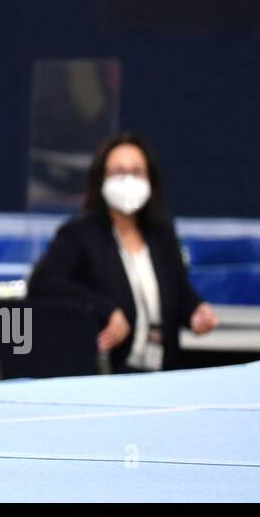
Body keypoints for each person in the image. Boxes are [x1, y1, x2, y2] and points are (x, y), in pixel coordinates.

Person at [28, 132, 219, 372]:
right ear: (101, 179)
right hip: (110, 373)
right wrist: (105, 310)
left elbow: (177, 291)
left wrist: (196, 312)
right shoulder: (80, 234)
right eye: (118, 172)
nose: (128, 180)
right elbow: (43, 283)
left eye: (137, 172)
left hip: (165, 373)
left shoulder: (161, 233)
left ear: (150, 179)